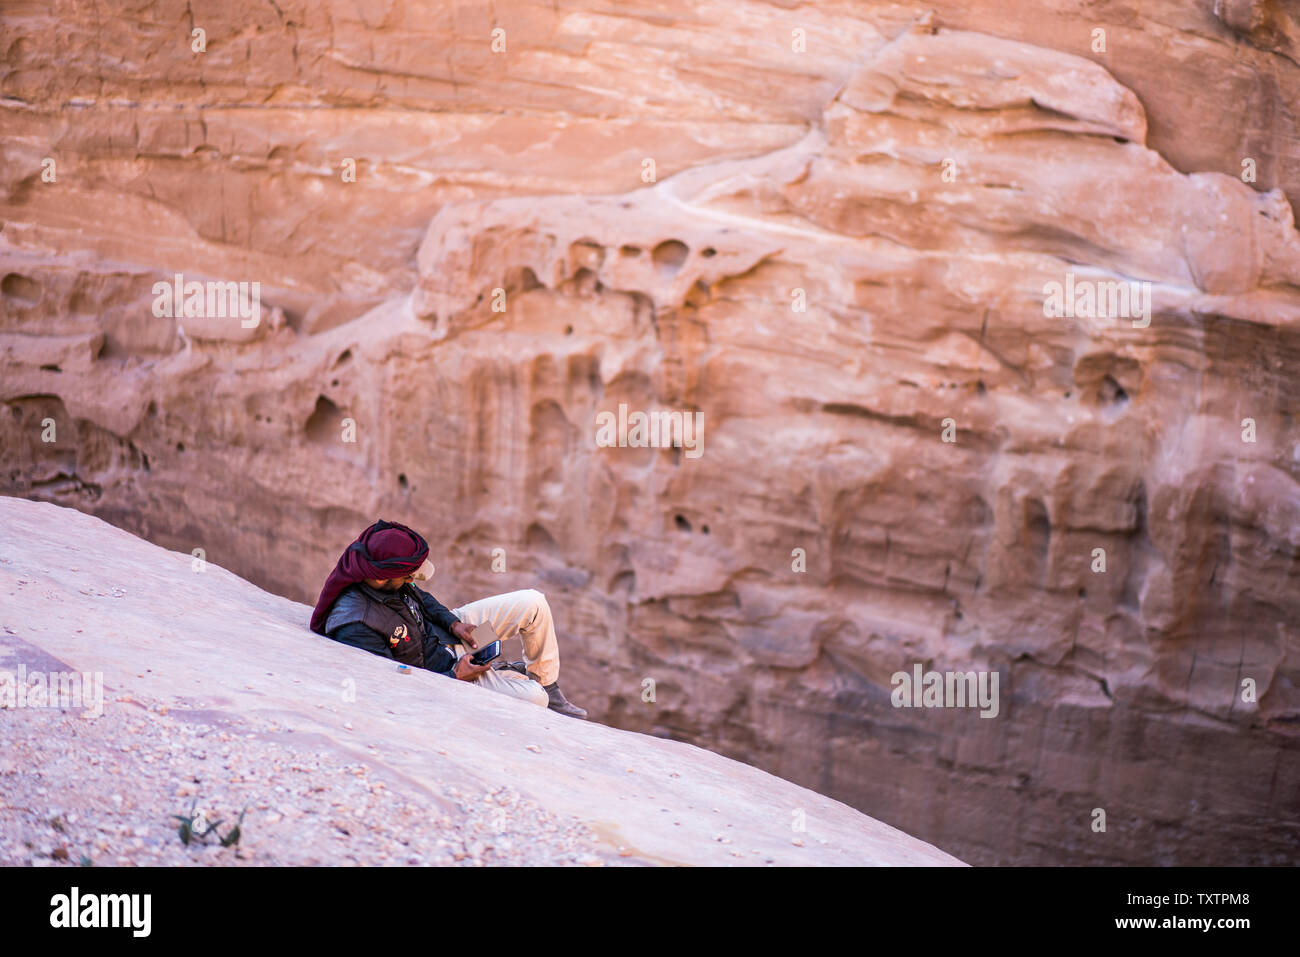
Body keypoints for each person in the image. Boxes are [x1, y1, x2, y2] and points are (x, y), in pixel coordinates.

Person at [309, 519, 587, 719]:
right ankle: (510, 675)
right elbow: (390, 686)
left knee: (533, 602)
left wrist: (455, 624)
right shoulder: (357, 625)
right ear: (382, 575)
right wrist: (456, 676)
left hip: (443, 635)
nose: (411, 581)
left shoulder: (386, 577)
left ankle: (547, 685)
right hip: (443, 670)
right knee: (533, 699)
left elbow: (423, 599)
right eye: (408, 575)